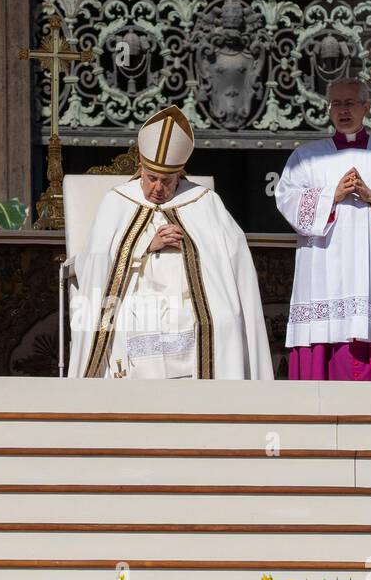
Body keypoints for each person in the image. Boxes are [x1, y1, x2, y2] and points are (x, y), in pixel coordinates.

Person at [69, 105, 273, 380]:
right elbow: (92, 261)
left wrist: (190, 246)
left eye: (167, 180)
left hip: (192, 299)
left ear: (180, 174)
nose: (158, 188)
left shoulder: (204, 201)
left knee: (224, 320)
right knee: (136, 323)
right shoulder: (116, 201)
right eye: (151, 178)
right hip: (134, 296)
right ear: (141, 169)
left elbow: (233, 259)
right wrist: (145, 246)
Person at [274, 77, 371, 381]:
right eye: (336, 104)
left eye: (350, 103)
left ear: (366, 107)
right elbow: (287, 198)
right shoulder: (306, 156)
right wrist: (330, 196)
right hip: (323, 268)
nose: (343, 110)